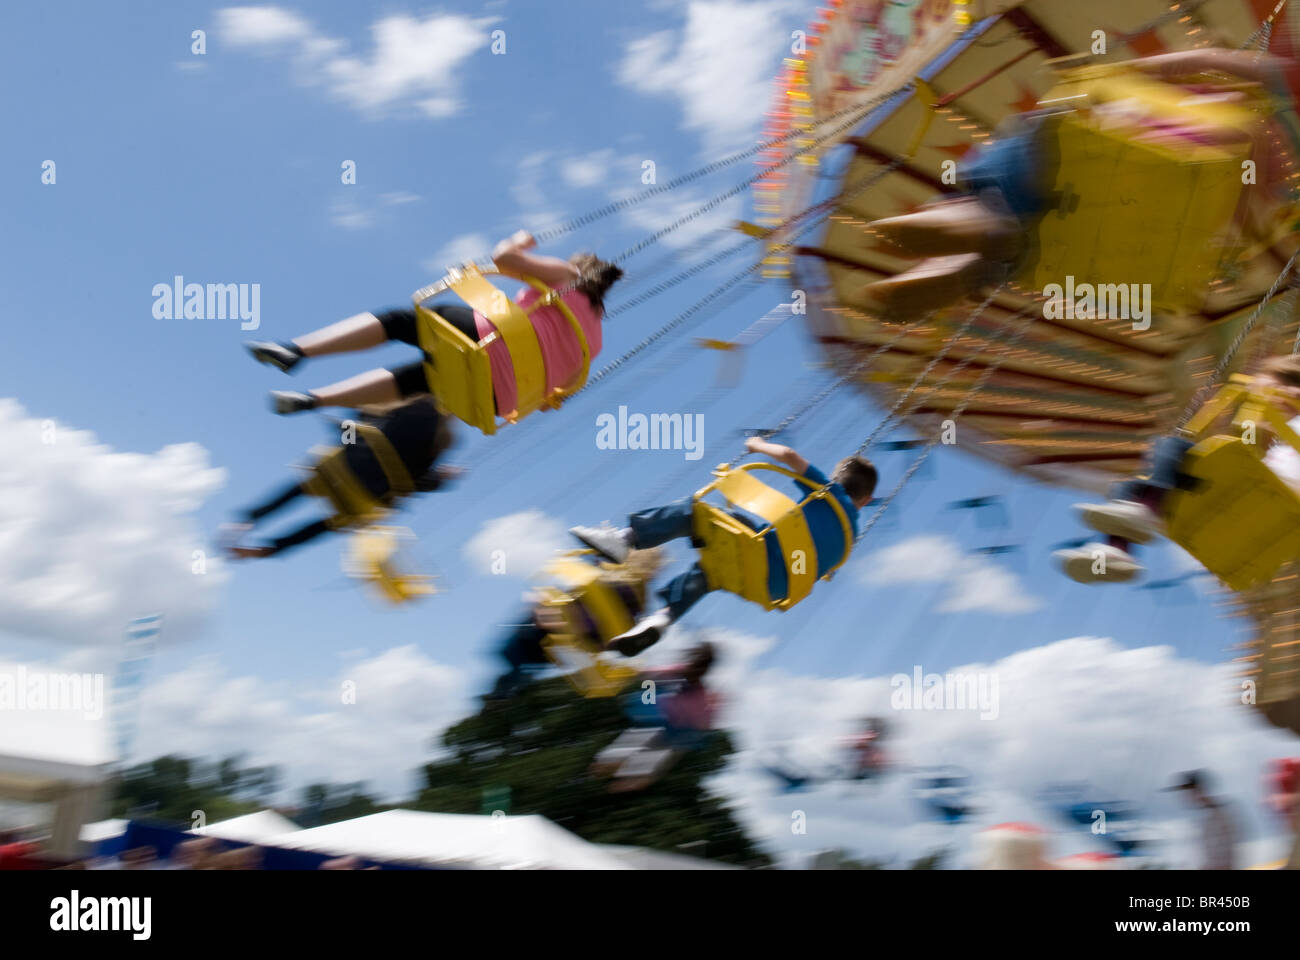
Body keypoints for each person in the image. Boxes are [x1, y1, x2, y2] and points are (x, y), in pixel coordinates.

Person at [860, 45, 1300, 324]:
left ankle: (963, 235)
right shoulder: (1269, 160)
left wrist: (1123, 72)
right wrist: (1231, 256)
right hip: (1136, 227)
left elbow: (1195, 61)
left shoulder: (1255, 91)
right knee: (1019, 248)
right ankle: (979, 261)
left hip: (1096, 158)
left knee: (996, 180)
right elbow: (1244, 217)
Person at [245, 231, 624, 415]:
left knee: (398, 321)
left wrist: (522, 241)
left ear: (583, 268)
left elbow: (504, 257)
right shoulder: (596, 343)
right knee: (422, 377)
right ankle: (311, 401)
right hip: (495, 400)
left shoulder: (568, 274)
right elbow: (548, 402)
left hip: (490, 344)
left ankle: (296, 350)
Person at [569, 436, 876, 655]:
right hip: (771, 589)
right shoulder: (848, 545)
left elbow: (789, 455)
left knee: (695, 511)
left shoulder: (826, 489)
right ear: (866, 501)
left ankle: (624, 540)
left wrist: (756, 445)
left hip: (758, 552)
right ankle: (661, 619)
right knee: (709, 573)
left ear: (837, 479)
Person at [1056, 354, 1300, 583]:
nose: (1263, 401)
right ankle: (1115, 553)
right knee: (1131, 487)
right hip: (1253, 492)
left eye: (1271, 391)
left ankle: (1145, 512)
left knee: (1174, 446)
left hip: (1275, 494)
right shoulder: (1282, 440)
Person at [222, 395, 458, 559]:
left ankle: (250, 518)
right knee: (334, 522)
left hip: (345, 464)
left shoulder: (408, 403)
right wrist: (442, 480)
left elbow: (360, 417)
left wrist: (341, 428)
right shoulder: (444, 441)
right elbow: (419, 481)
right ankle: (271, 548)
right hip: (369, 494)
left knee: (309, 483)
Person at [488, 548, 664, 698]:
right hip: (574, 637)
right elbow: (622, 633)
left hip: (558, 623)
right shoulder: (638, 598)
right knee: (527, 659)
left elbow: (567, 577)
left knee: (518, 652)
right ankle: (507, 689)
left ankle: (505, 690)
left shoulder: (604, 568)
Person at [590, 641, 721, 793]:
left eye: (698, 669)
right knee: (607, 764)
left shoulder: (698, 693)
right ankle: (627, 769)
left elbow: (699, 728)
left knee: (666, 745)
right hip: (659, 720)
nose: (694, 672)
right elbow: (647, 677)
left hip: (674, 729)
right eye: (695, 667)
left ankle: (637, 773)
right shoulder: (678, 673)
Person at [1163, 769, 1237, 870]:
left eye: (1187, 791)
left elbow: (1225, 857)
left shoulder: (1220, 815)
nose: (1184, 796)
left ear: (1198, 790)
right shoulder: (1205, 815)